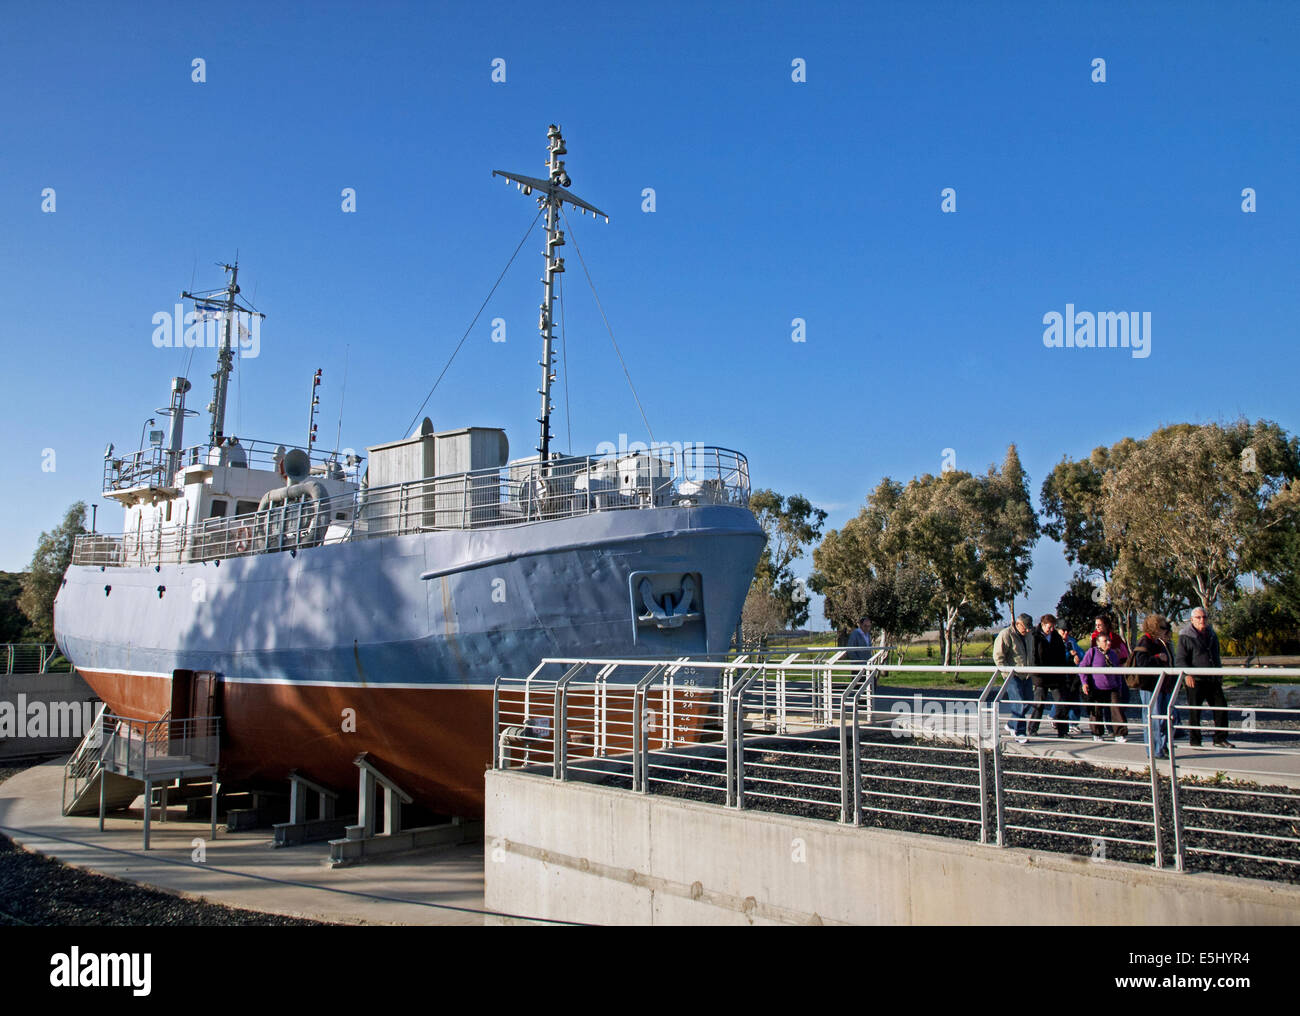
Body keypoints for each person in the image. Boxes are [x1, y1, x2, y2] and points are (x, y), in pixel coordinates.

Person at [1175, 607, 1234, 749]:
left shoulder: (1212, 634)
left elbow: (1216, 656)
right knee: (1195, 711)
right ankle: (1195, 741)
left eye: (1204, 617)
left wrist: (1219, 674)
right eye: (1199, 617)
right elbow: (1181, 659)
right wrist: (1187, 674)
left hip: (1212, 679)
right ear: (1192, 620)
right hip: (1196, 680)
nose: (1202, 620)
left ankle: (1220, 738)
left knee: (1221, 707)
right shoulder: (1185, 636)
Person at [1133, 613, 1175, 758]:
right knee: (1153, 718)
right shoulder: (1145, 642)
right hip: (1150, 687)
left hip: (1162, 685)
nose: (1165, 630)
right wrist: (1157, 658)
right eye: (1162, 627)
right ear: (1155, 628)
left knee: (1164, 718)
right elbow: (1142, 663)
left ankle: (1162, 747)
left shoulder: (1159, 643)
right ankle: (1154, 750)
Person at [993, 613, 1037, 743]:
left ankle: (1012, 723)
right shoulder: (1006, 634)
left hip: (1027, 674)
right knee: (1019, 702)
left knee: (1029, 702)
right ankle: (1019, 732)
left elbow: (1031, 653)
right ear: (1017, 624)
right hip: (1013, 675)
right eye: (1025, 627)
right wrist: (1006, 673)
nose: (1027, 630)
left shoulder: (1029, 636)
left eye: (1029, 628)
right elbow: (998, 656)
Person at [1080, 633, 1127, 741]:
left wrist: (1119, 686)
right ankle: (1097, 733)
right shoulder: (1092, 652)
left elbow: (1117, 672)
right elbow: (1082, 667)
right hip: (1097, 687)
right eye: (1105, 641)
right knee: (1096, 711)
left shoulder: (1113, 654)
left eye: (1109, 640)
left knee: (1117, 709)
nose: (1108, 643)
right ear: (1098, 643)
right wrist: (1084, 682)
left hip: (1112, 687)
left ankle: (1119, 733)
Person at [1028, 614, 1070, 737]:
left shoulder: (1056, 637)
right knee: (1039, 703)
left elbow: (1061, 654)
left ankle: (1063, 730)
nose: (1051, 629)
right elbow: (1033, 656)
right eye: (1049, 627)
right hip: (1041, 676)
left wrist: (1063, 670)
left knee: (1061, 702)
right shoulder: (1034, 636)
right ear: (1042, 624)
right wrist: (1036, 672)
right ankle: (1033, 728)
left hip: (1056, 676)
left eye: (1053, 627)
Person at [1057, 625, 1086, 732]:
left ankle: (1073, 722)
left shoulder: (1072, 641)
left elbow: (1081, 653)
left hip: (1074, 675)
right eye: (1063, 631)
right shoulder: (1055, 641)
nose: (1065, 634)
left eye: (1067, 631)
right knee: (1063, 699)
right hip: (1062, 675)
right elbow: (1056, 657)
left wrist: (1078, 655)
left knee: (1075, 698)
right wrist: (1068, 654)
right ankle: (1056, 717)